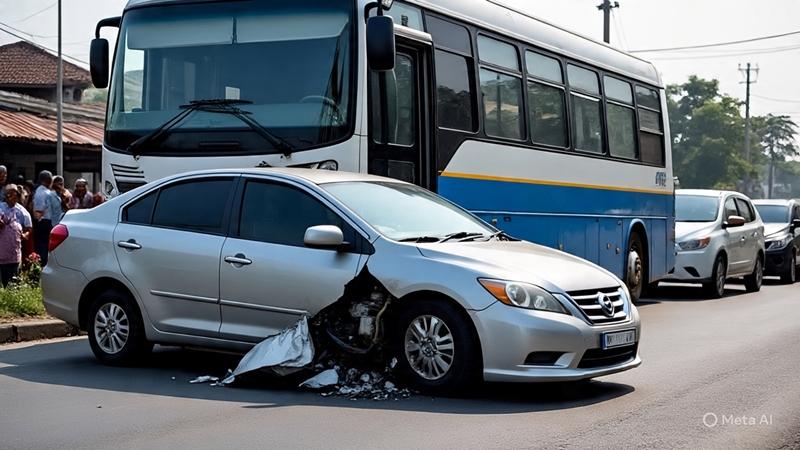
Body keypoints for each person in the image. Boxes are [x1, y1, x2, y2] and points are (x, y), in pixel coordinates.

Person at [0, 184, 32, 286]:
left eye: (12, 194)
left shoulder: (22, 211)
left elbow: (29, 228)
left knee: (13, 281)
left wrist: (25, 235)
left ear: (17, 195)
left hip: (14, 252)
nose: (9, 197)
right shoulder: (0, 207)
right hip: (1, 250)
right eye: (7, 195)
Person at [33, 170, 62, 266]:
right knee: (43, 245)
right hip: (44, 222)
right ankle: (42, 264)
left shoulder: (45, 192)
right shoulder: (42, 193)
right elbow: (39, 211)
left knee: (45, 245)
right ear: (48, 180)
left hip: (47, 222)